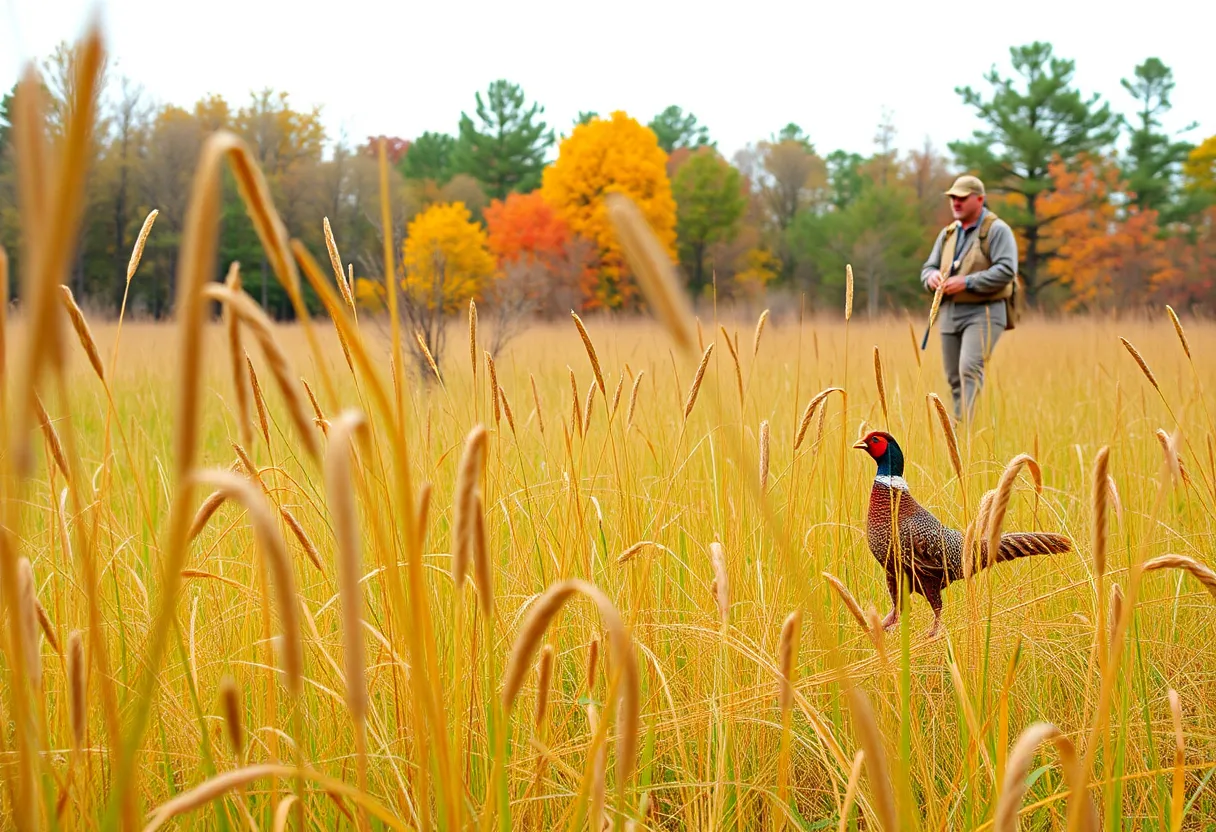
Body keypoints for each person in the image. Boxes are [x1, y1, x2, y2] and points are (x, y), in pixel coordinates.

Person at [920, 175, 1018, 422]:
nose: (956, 202)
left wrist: (966, 282)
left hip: (985, 311)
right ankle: (958, 432)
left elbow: (1007, 269)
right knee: (954, 377)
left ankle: (968, 435)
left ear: (980, 199)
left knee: (969, 371)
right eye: (953, 197)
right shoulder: (948, 233)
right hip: (950, 312)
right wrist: (931, 277)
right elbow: (928, 267)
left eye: (962, 198)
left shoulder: (997, 230)